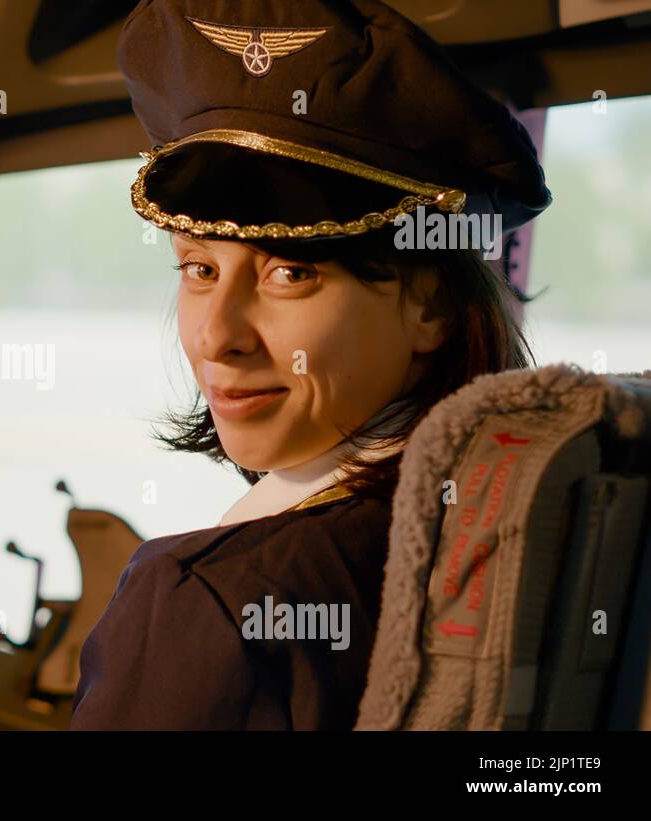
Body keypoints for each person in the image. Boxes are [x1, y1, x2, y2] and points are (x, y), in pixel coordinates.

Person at [68, 0, 550, 730]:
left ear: (432, 306)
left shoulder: (209, 600)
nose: (215, 337)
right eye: (199, 268)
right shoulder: (512, 525)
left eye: (290, 272)